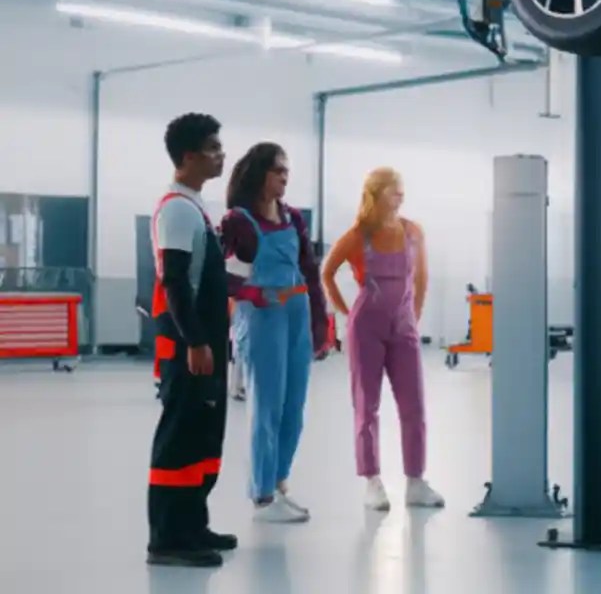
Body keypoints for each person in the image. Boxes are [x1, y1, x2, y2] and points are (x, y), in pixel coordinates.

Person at [321, 167, 444, 511]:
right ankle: (372, 481)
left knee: (414, 404)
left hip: (403, 327)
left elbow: (422, 278)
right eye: (394, 191)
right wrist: (346, 313)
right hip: (367, 327)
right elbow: (327, 271)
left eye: (402, 191)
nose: (401, 197)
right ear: (376, 195)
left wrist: (413, 317)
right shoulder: (359, 235)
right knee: (366, 405)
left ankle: (416, 481)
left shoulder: (413, 232)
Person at [220, 143, 327, 524]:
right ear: (258, 173)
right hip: (261, 317)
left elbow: (310, 271)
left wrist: (320, 322)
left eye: (287, 171)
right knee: (266, 407)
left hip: (296, 312)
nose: (284, 177)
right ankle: (262, 496)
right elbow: (221, 277)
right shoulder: (239, 221)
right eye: (277, 170)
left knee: (293, 408)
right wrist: (255, 294)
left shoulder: (293, 218)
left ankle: (280, 483)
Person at [146, 112, 235, 568]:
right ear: (188, 156)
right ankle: (167, 539)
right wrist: (195, 342)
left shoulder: (195, 205)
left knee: (203, 437)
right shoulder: (178, 209)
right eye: (213, 148)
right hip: (188, 344)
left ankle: (192, 524)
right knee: (180, 437)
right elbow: (177, 283)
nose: (222, 155)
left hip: (205, 342)